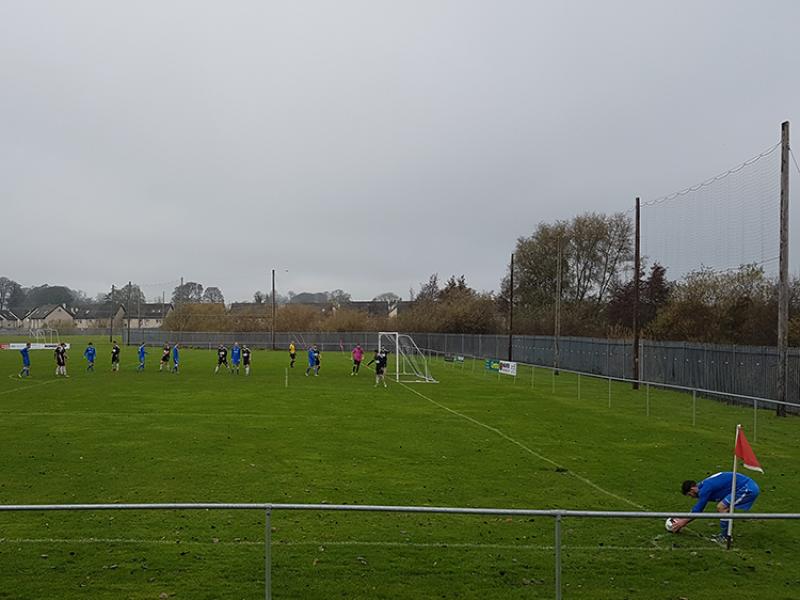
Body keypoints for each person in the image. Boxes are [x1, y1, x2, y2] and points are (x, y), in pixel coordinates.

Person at [671, 471, 761, 543]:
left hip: (747, 488)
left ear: (692, 489)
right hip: (744, 486)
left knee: (722, 507)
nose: (691, 497)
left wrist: (683, 522)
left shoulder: (705, 489)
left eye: (689, 494)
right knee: (725, 508)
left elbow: (698, 509)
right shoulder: (703, 486)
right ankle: (725, 535)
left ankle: (725, 537)